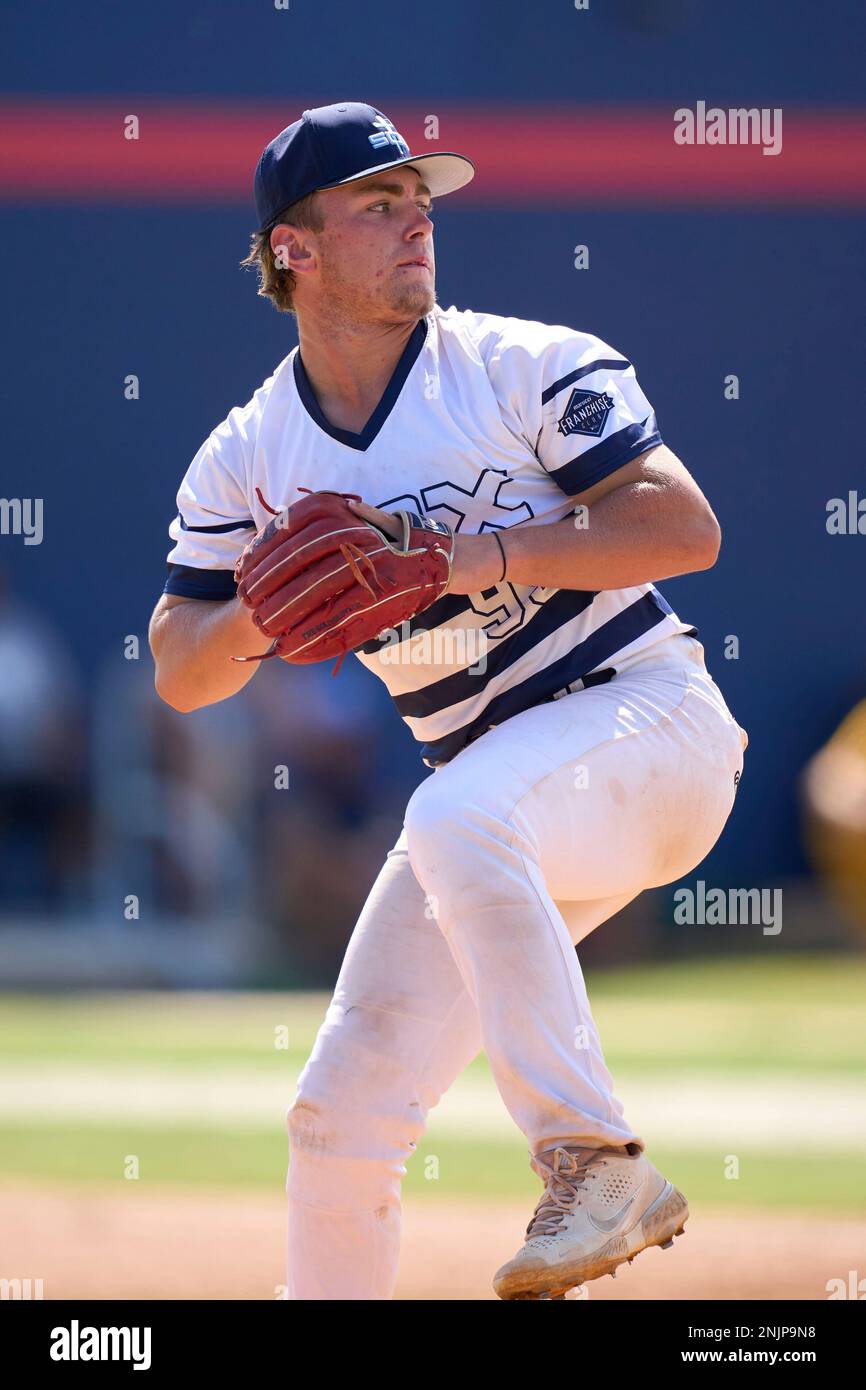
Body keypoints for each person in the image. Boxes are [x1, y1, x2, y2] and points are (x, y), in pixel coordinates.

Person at [148, 102, 749, 1301]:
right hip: (491, 803)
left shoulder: (519, 363)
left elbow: (683, 528)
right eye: (379, 204)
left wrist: (465, 555)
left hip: (646, 727)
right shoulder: (250, 454)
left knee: (454, 818)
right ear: (292, 249)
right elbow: (180, 663)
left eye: (421, 199)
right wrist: (272, 611)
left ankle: (589, 1156)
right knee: (338, 1114)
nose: (418, 218)